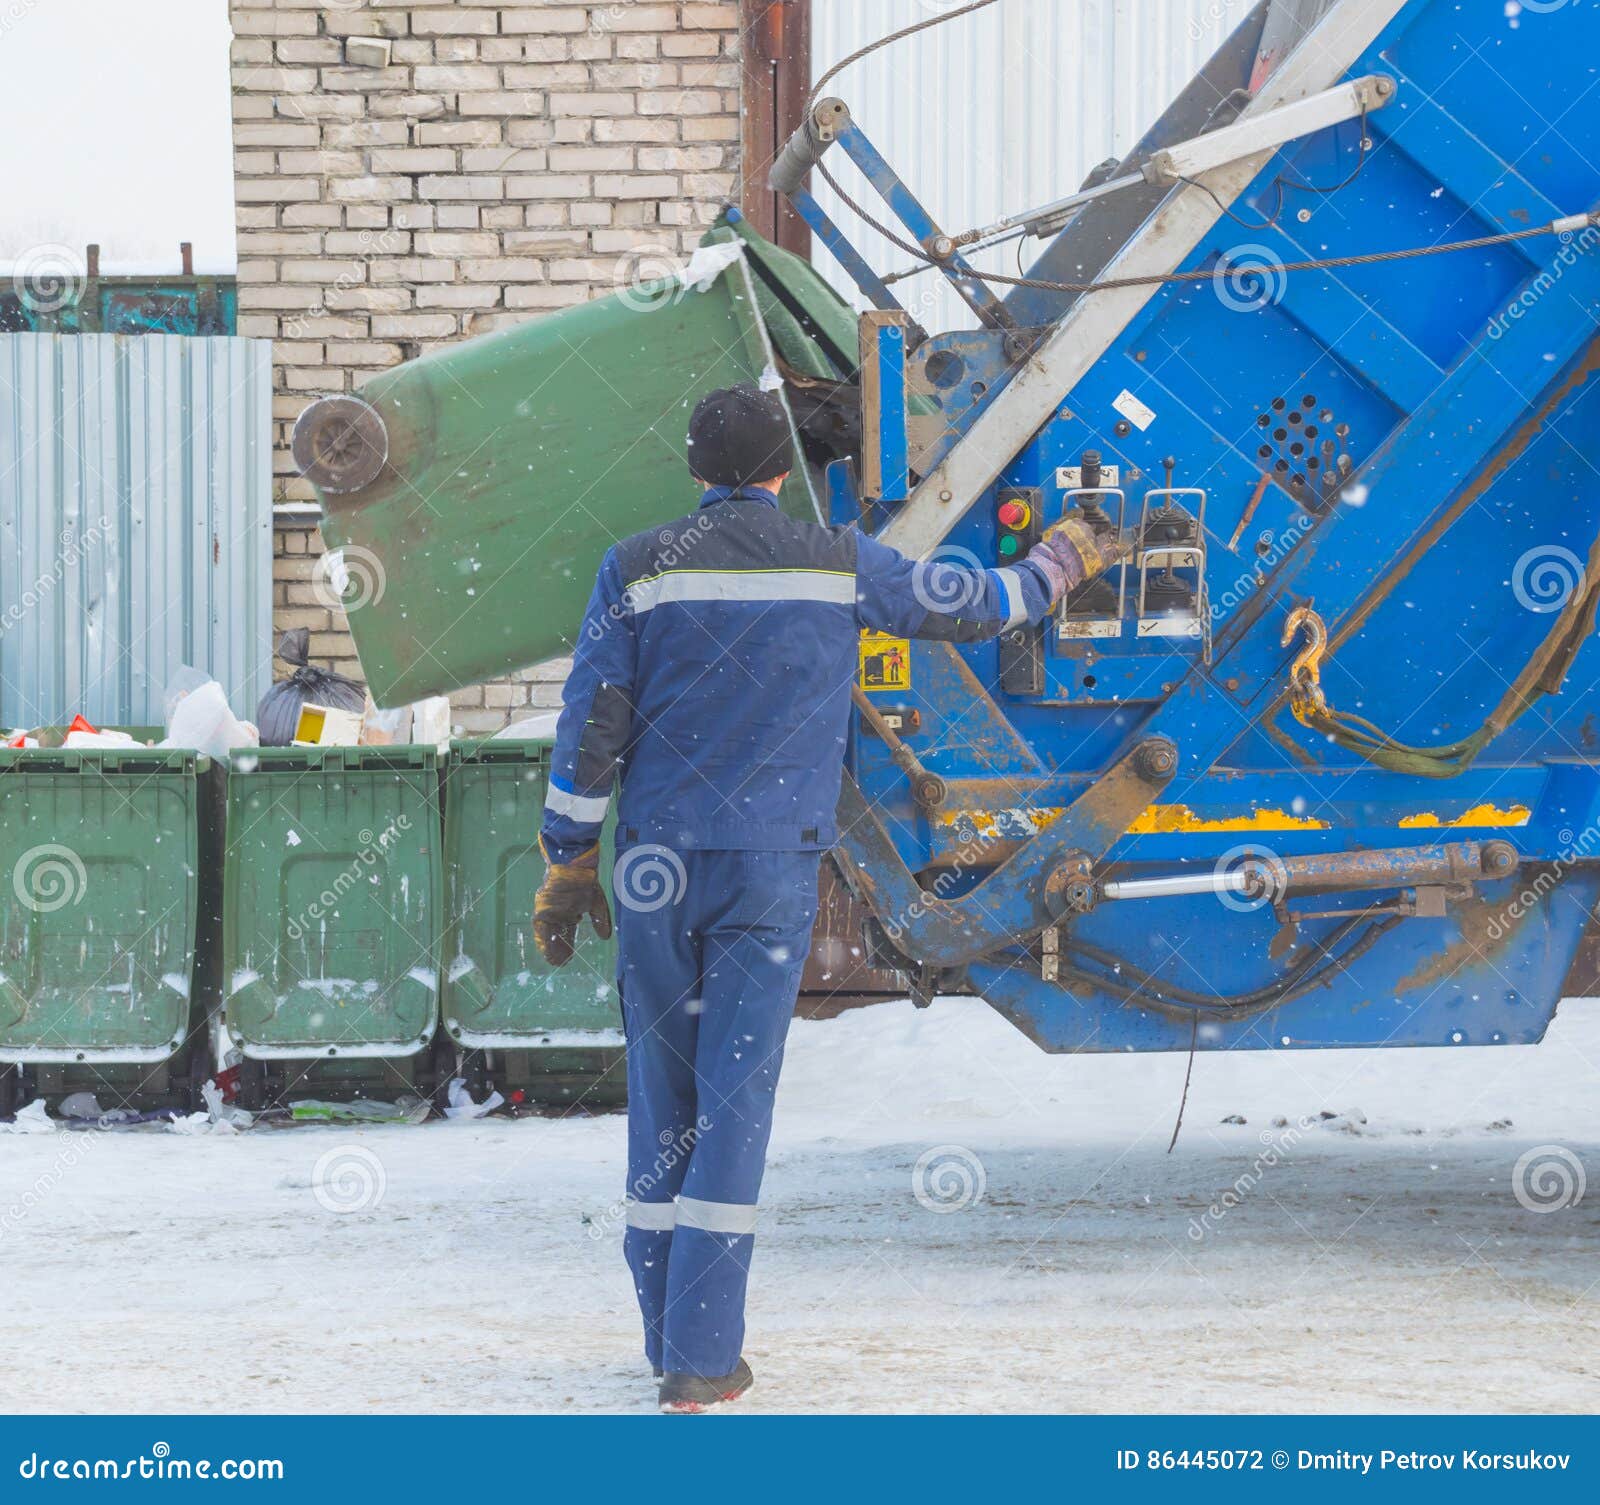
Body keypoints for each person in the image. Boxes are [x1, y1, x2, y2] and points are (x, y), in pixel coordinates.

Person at [532, 383, 1119, 1413]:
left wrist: (567, 858)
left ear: (696, 472)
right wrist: (1062, 557)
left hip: (654, 863)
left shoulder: (633, 568)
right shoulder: (836, 559)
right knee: (733, 1102)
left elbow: (589, 726)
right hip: (766, 864)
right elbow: (977, 604)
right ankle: (701, 1358)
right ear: (778, 471)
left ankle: (665, 1333)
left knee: (662, 1101)